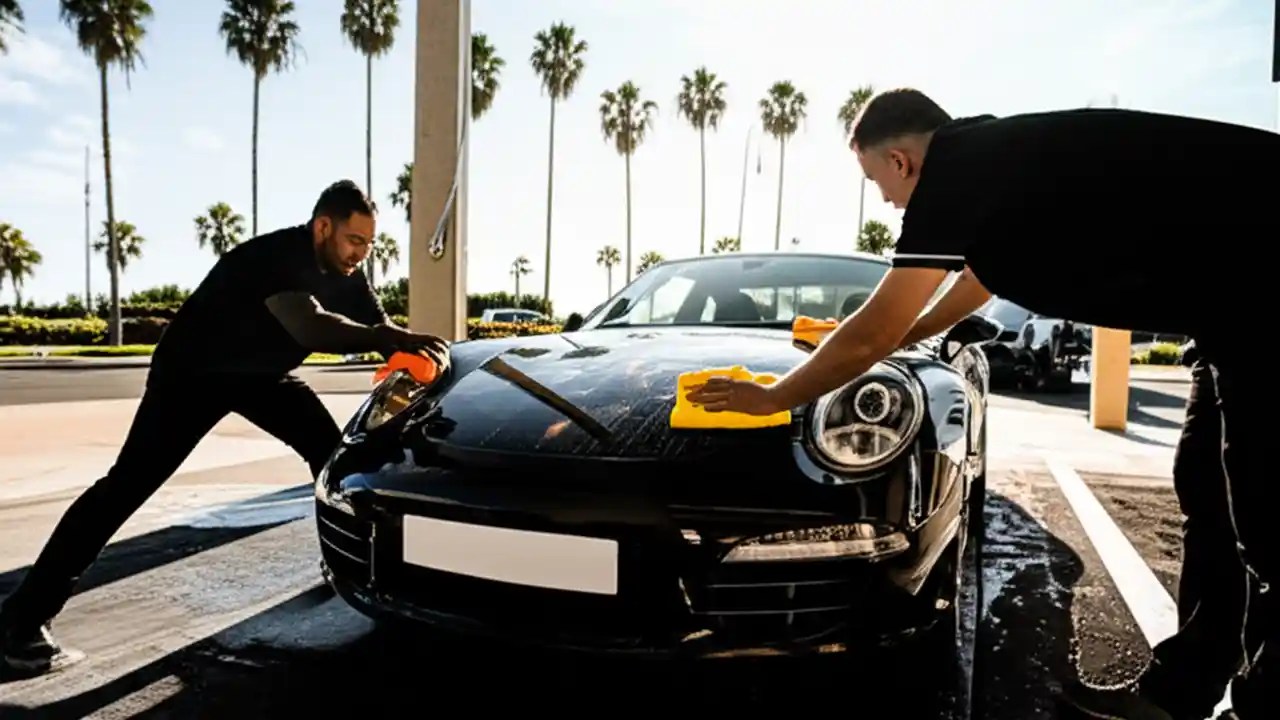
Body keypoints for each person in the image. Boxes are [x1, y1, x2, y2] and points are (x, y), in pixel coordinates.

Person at [686, 88, 1276, 720]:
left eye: (877, 180)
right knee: (1209, 498)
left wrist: (773, 395)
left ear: (901, 160)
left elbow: (879, 327)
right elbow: (972, 284)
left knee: (1270, 523)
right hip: (1231, 313)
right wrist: (876, 339)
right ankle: (1179, 692)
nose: (885, 199)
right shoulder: (994, 164)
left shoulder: (956, 171)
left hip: (1263, 292)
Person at [0, 179, 450, 675]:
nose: (361, 254)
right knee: (126, 486)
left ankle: (344, 566)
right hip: (193, 374)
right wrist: (388, 335)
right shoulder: (274, 255)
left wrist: (412, 351)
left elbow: (378, 328)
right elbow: (309, 325)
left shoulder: (349, 273)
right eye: (354, 240)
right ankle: (21, 621)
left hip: (262, 377)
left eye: (368, 243)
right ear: (324, 227)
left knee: (333, 456)